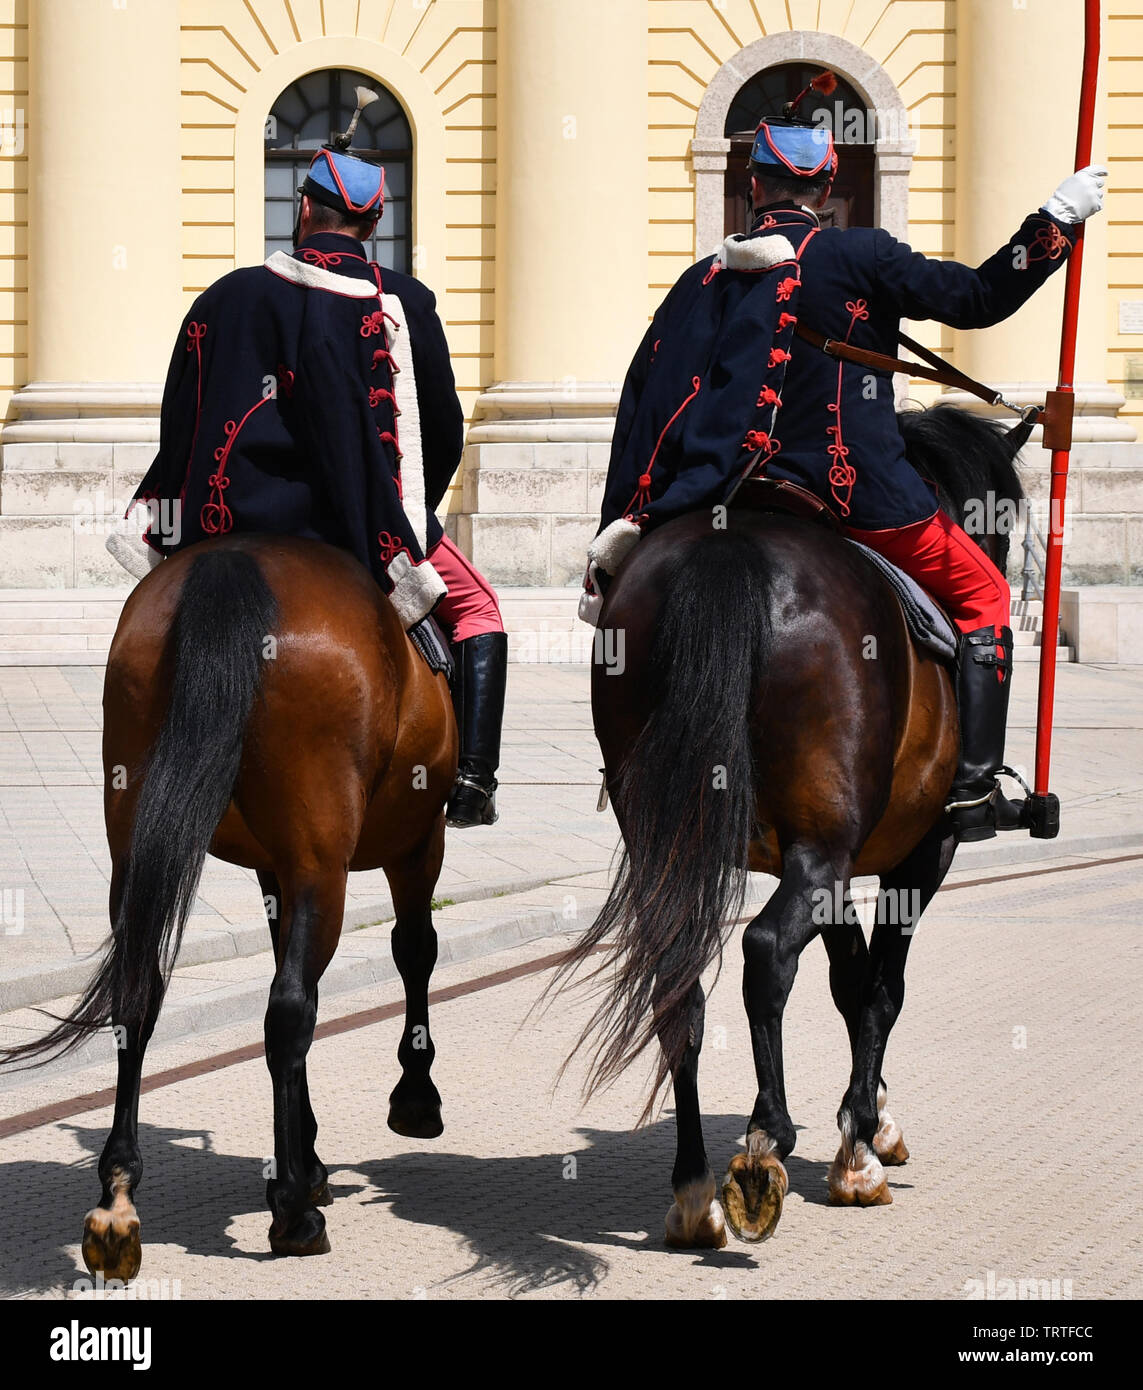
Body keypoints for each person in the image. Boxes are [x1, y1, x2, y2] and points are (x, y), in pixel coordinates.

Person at [584, 73, 1106, 842]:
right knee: (985, 596)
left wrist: (628, 523)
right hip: (855, 494)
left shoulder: (699, 282)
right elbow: (973, 299)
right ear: (826, 183)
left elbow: (646, 406)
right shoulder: (859, 254)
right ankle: (970, 788)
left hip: (715, 493)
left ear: (751, 183)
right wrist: (1053, 222)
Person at [109, 89, 506, 827]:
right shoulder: (402, 302)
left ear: (302, 209)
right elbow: (440, 428)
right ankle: (473, 785)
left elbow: (183, 418)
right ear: (376, 220)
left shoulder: (224, 297)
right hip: (355, 525)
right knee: (479, 608)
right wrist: (407, 516)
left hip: (220, 520)